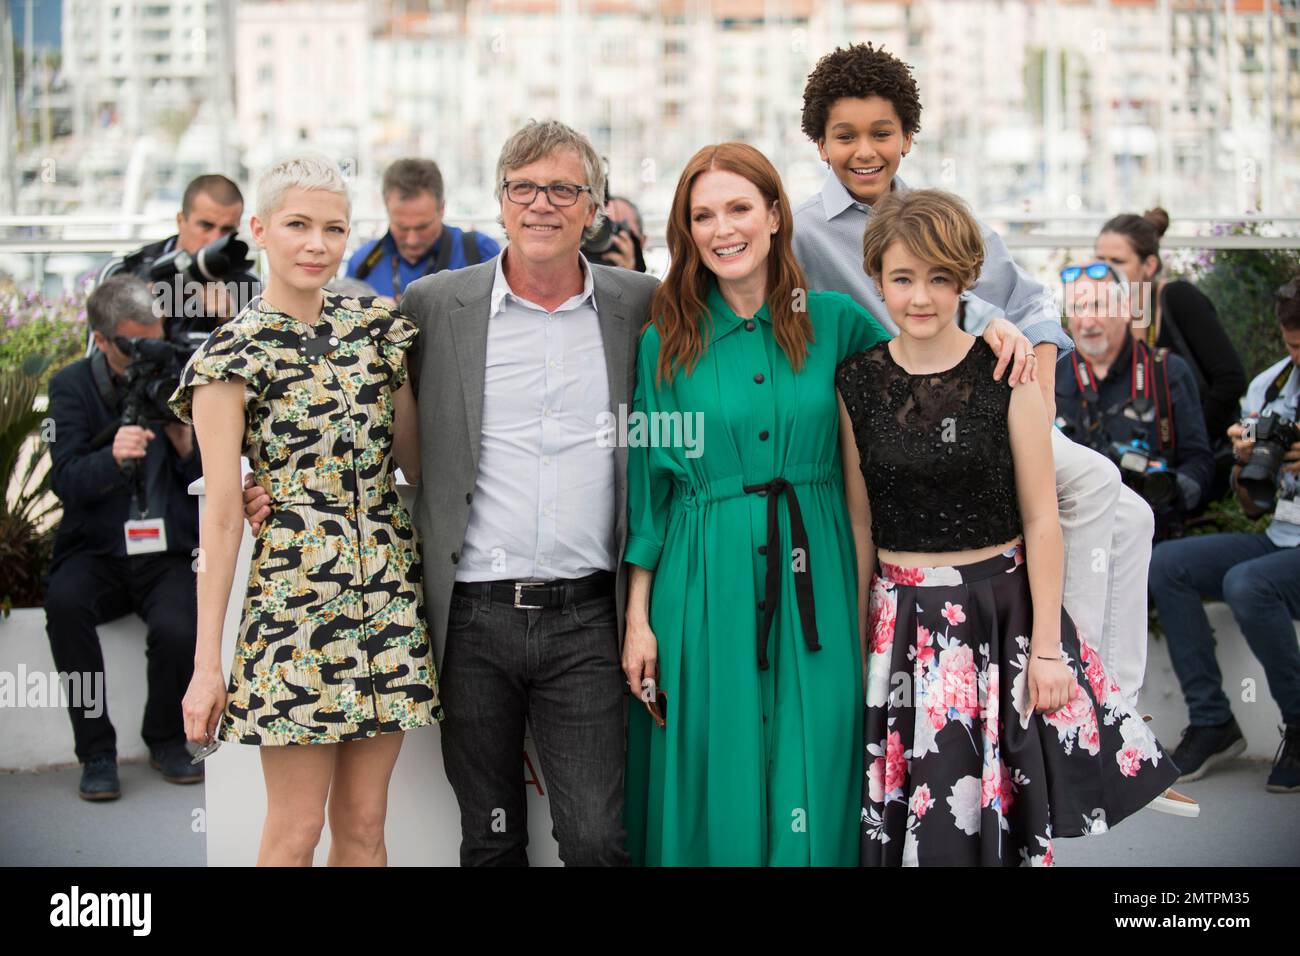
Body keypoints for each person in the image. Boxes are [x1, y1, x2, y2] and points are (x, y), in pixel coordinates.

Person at [248, 121, 660, 865]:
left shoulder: (641, 306)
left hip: (587, 621)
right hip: (470, 620)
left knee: (599, 840)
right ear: (499, 202)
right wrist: (268, 479)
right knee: (490, 837)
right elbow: (350, 408)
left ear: (593, 208)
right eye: (524, 188)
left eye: (564, 188)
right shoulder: (433, 306)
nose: (543, 204)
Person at [620, 143, 1033, 866]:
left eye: (740, 208)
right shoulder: (665, 341)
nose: (724, 229)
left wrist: (990, 325)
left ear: (776, 215)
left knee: (824, 755)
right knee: (717, 760)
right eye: (703, 215)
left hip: (825, 573)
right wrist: (638, 622)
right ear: (687, 231)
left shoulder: (836, 321)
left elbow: (928, 359)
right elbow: (650, 495)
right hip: (700, 580)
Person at [790, 40, 1157, 733]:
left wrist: (1037, 392)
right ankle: (1082, 702)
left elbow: (1032, 306)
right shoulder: (802, 234)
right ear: (819, 143)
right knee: (1103, 488)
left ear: (907, 136)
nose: (864, 151)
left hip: (976, 399)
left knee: (1132, 518)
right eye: (845, 136)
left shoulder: (936, 214)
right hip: (892, 414)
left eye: (881, 133)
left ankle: (1108, 703)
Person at [836, 188, 1179, 866]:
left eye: (939, 277)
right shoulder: (857, 383)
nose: (921, 297)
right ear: (876, 279)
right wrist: (856, 650)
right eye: (902, 278)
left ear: (966, 278)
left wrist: (1048, 650)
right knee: (915, 825)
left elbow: (1042, 518)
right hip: (899, 624)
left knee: (994, 823)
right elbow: (859, 524)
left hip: (997, 621)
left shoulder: (1009, 373)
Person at [170, 153, 443, 866]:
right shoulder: (230, 356)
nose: (317, 244)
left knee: (365, 827)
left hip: (388, 602)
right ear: (259, 229)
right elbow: (223, 516)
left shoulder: (380, 331)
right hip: (294, 616)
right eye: (297, 225)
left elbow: (415, 465)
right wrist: (208, 665)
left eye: (334, 228)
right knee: (293, 833)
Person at [44, 273, 203, 801]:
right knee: (65, 606)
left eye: (156, 339)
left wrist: (185, 443)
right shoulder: (70, 386)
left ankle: (166, 738)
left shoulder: (180, 377)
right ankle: (96, 752)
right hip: (96, 548)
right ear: (102, 338)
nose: (148, 354)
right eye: (136, 344)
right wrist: (110, 459)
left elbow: (211, 478)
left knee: (182, 627)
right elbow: (64, 479)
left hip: (165, 549)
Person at [1147, 279, 1300, 794]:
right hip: (1282, 537)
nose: (1298, 357)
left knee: (1248, 584)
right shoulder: (1269, 388)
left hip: (1279, 560)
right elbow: (1253, 506)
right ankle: (1213, 722)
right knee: (1167, 564)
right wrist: (1244, 466)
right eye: (1293, 345)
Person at [1054, 264, 1216, 540]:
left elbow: (1199, 463)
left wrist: (1169, 488)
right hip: (1067, 534)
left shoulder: (1167, 372)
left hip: (1147, 537)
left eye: (1097, 306)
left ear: (1127, 308)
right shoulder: (1050, 372)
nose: (1088, 321)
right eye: (1077, 309)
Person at [1096, 208, 1246, 499]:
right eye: (1099, 260)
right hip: (1127, 467)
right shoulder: (1103, 316)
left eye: (1117, 261)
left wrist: (1189, 439)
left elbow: (1231, 379)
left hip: (1188, 468)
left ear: (1149, 265)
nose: (1106, 271)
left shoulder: (1178, 299)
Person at [96, 174, 261, 334]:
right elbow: (98, 355)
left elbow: (262, 359)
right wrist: (145, 325)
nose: (215, 239)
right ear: (181, 221)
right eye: (206, 226)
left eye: (227, 230)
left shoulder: (249, 286)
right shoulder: (124, 271)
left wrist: (230, 323)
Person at [346, 158, 501, 301]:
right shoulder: (362, 263)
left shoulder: (479, 252)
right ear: (386, 209)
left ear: (442, 209)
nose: (412, 240)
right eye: (402, 227)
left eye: (422, 227)